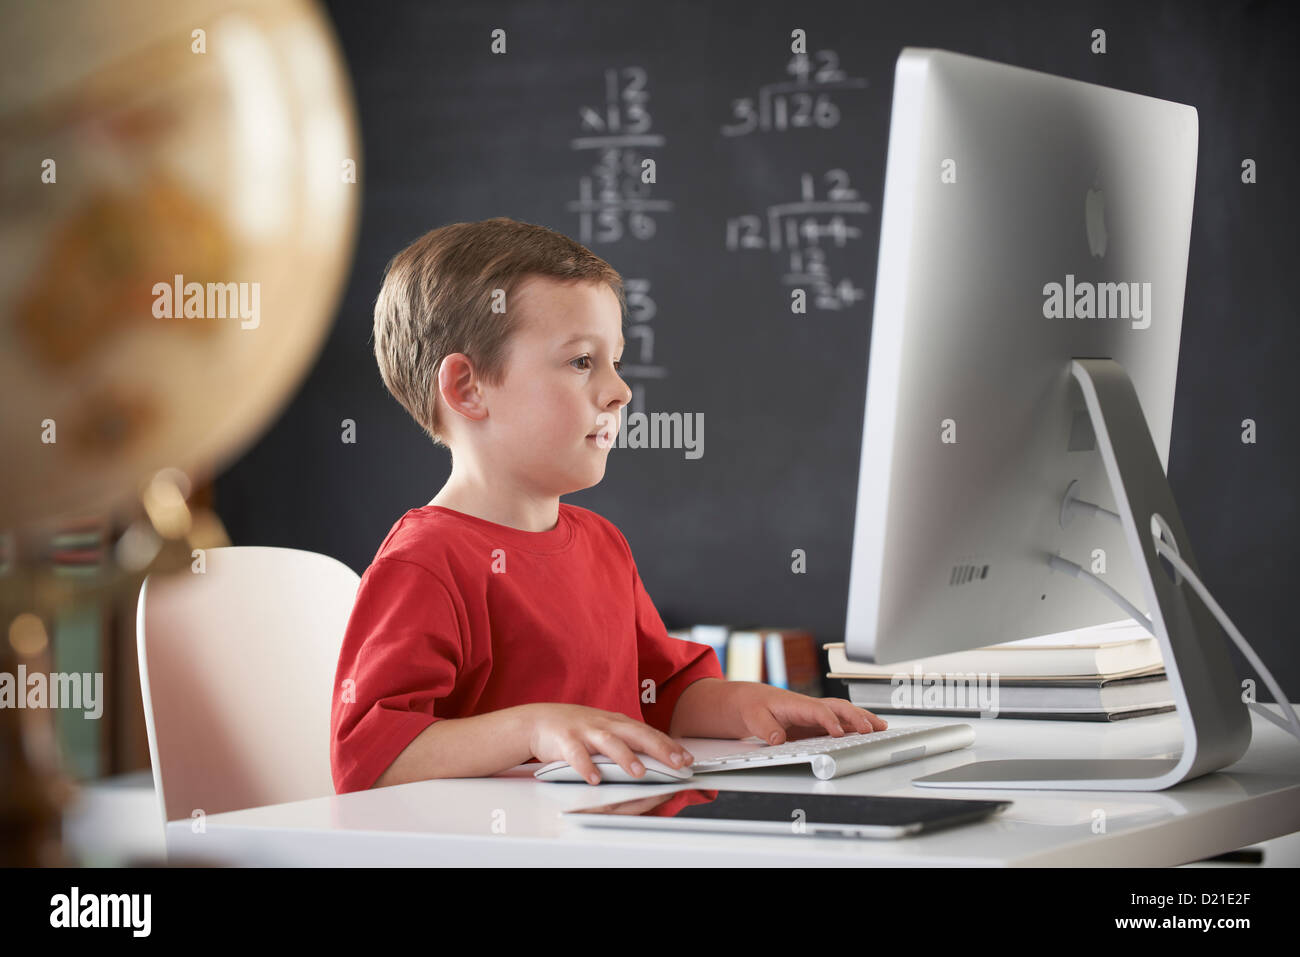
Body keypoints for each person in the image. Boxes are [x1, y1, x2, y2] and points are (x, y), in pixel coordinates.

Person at [330, 217, 886, 793]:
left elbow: (665, 695)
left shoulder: (602, 544)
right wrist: (535, 728)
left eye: (615, 360)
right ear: (468, 388)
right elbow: (370, 759)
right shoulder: (425, 563)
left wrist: (754, 705)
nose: (620, 390)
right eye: (581, 362)